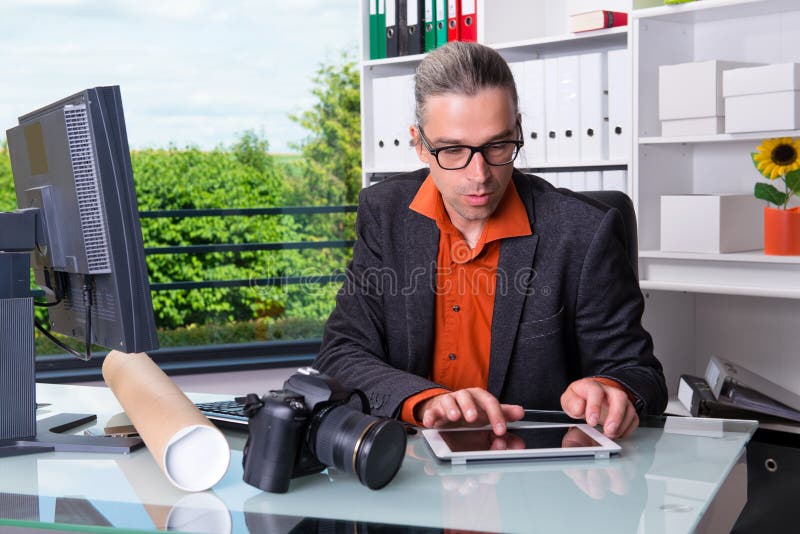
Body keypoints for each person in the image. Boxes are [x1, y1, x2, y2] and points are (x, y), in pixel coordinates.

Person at [314, 41, 667, 440]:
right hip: (408, 463)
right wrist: (425, 401)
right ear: (419, 144)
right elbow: (341, 353)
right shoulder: (384, 213)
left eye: (498, 145)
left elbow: (640, 375)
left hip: (537, 474)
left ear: (518, 130)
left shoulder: (585, 231)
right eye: (452, 150)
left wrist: (611, 390)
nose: (479, 174)